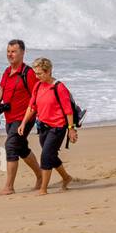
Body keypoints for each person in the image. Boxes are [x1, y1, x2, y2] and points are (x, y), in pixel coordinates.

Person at [0, 39, 41, 195]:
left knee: (11, 146)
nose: (10, 54)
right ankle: (41, 176)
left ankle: (9, 186)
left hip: (25, 117)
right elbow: (1, 93)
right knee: (21, 148)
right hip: (10, 118)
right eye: (8, 51)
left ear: (22, 53)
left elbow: (38, 96)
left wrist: (35, 117)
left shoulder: (29, 73)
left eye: (13, 51)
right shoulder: (7, 72)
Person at [18, 58, 77, 194]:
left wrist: (71, 129)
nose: (37, 76)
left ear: (49, 71)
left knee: (45, 156)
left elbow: (68, 110)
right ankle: (66, 178)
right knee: (51, 155)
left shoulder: (59, 87)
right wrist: (23, 123)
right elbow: (32, 107)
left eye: (40, 73)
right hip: (43, 127)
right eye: (35, 73)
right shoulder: (38, 86)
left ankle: (43, 188)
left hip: (58, 127)